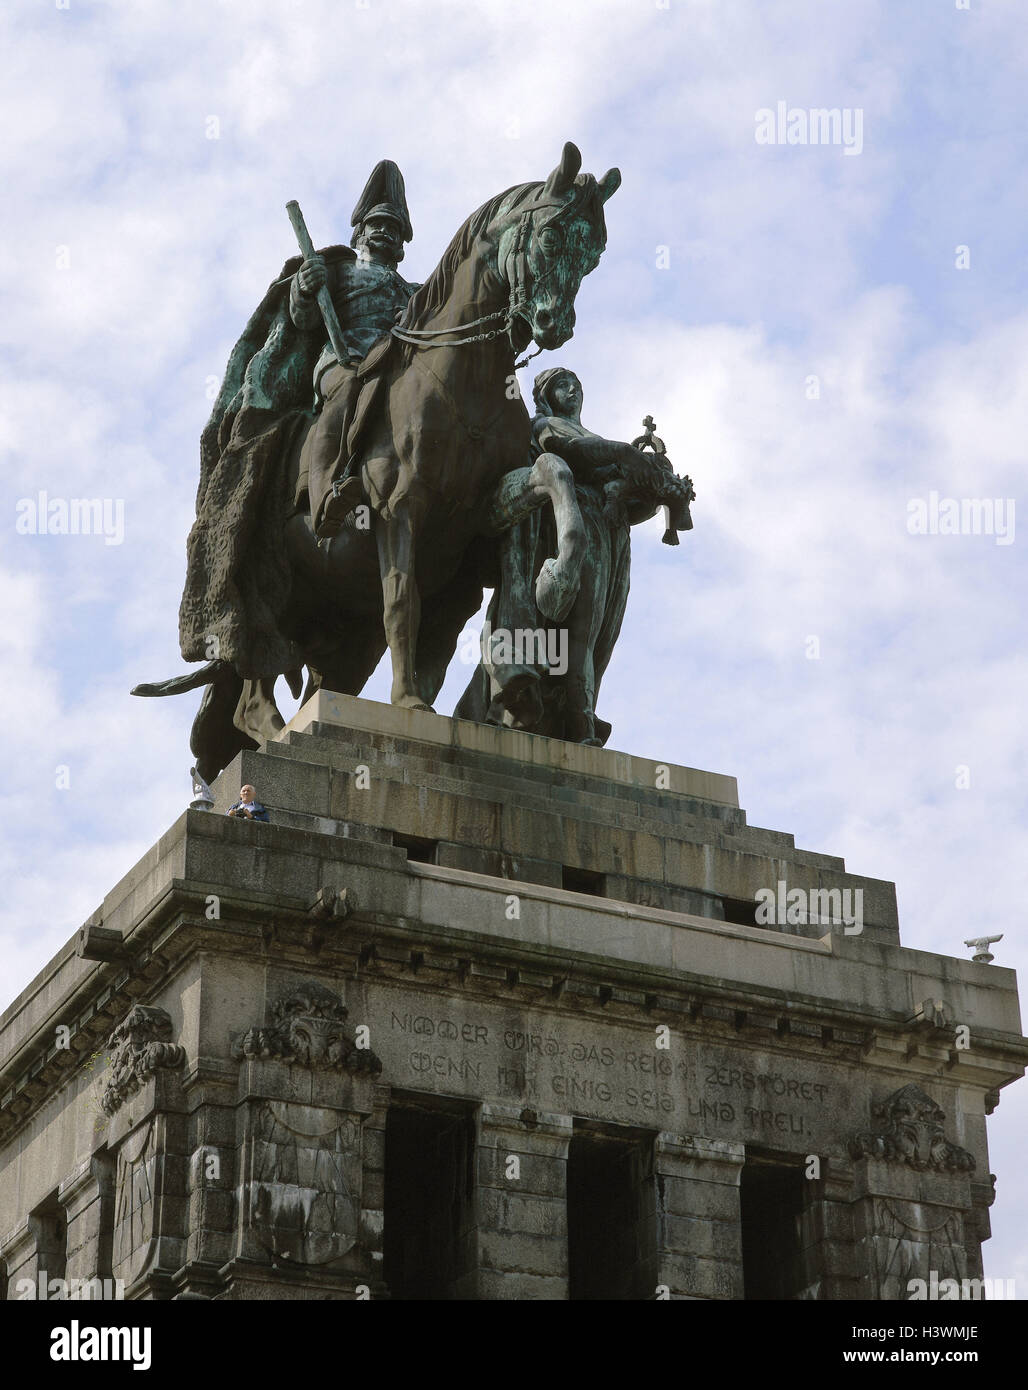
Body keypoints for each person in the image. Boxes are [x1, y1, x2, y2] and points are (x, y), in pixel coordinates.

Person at [292, 160, 419, 537]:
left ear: (401, 245)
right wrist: (304, 287)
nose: (385, 232)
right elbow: (304, 320)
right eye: (377, 225)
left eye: (393, 229)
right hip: (344, 359)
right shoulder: (339, 270)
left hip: (393, 365)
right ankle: (324, 496)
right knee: (349, 387)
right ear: (360, 232)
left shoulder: (414, 291)